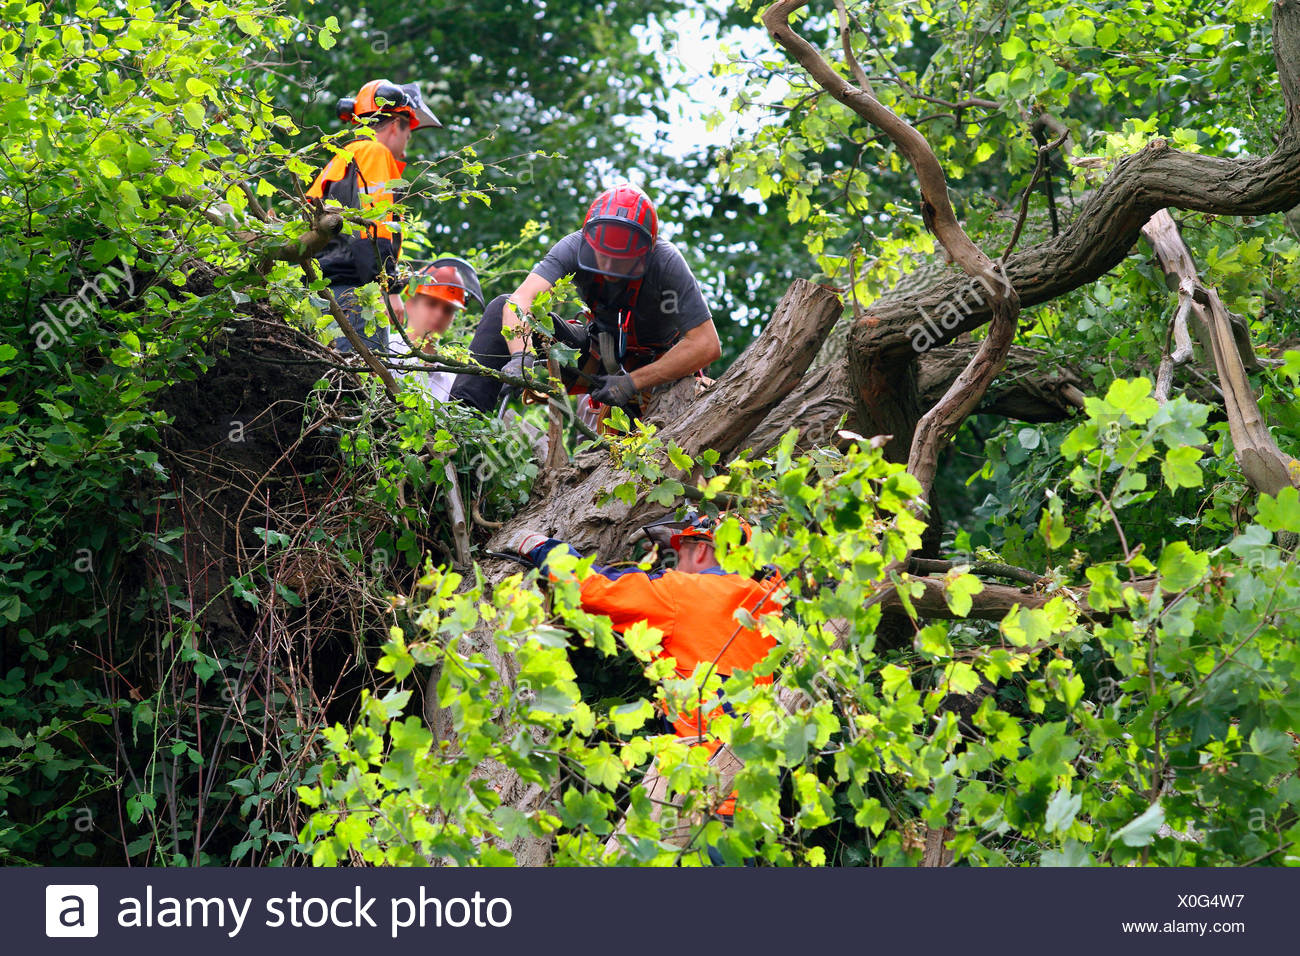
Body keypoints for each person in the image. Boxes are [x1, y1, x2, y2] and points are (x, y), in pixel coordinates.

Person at [507, 512, 784, 820]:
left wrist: (542, 548)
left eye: (680, 552)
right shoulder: (764, 603)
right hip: (750, 794)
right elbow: (776, 577)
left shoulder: (682, 591)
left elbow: (595, 590)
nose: (673, 563)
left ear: (701, 549)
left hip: (701, 788)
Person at [449, 184, 722, 423]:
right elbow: (520, 300)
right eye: (604, 257)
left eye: (621, 261)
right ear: (590, 241)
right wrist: (522, 355)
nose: (610, 267)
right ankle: (462, 421)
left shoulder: (666, 262)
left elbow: (706, 344)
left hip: (662, 372)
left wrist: (632, 382)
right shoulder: (574, 246)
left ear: (645, 251)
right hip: (600, 355)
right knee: (501, 307)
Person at [305, 79, 442, 353]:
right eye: (408, 135)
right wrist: (389, 289)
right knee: (361, 376)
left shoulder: (346, 156)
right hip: (353, 297)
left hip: (323, 296)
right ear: (395, 124)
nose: (406, 146)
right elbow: (371, 228)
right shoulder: (373, 152)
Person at [389, 257, 484, 402]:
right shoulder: (385, 350)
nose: (439, 315)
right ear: (409, 304)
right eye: (431, 304)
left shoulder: (451, 381)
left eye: (448, 310)